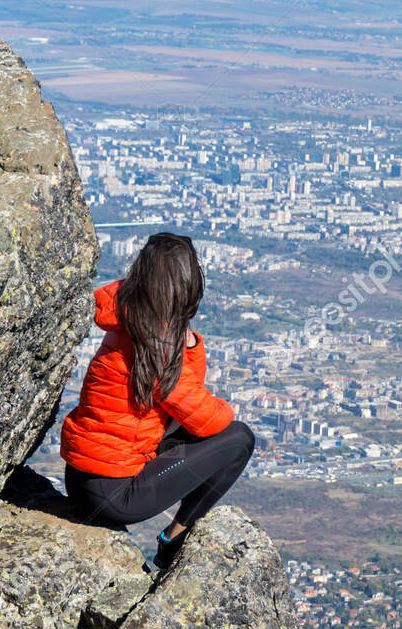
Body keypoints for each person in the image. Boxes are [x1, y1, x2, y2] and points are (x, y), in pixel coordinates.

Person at [59, 232, 255, 570]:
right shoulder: (158, 347)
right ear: (186, 287)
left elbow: (185, 407)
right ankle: (174, 537)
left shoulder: (127, 319)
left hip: (81, 479)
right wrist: (191, 346)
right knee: (238, 439)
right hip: (113, 494)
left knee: (196, 431)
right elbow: (210, 420)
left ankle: (173, 537)